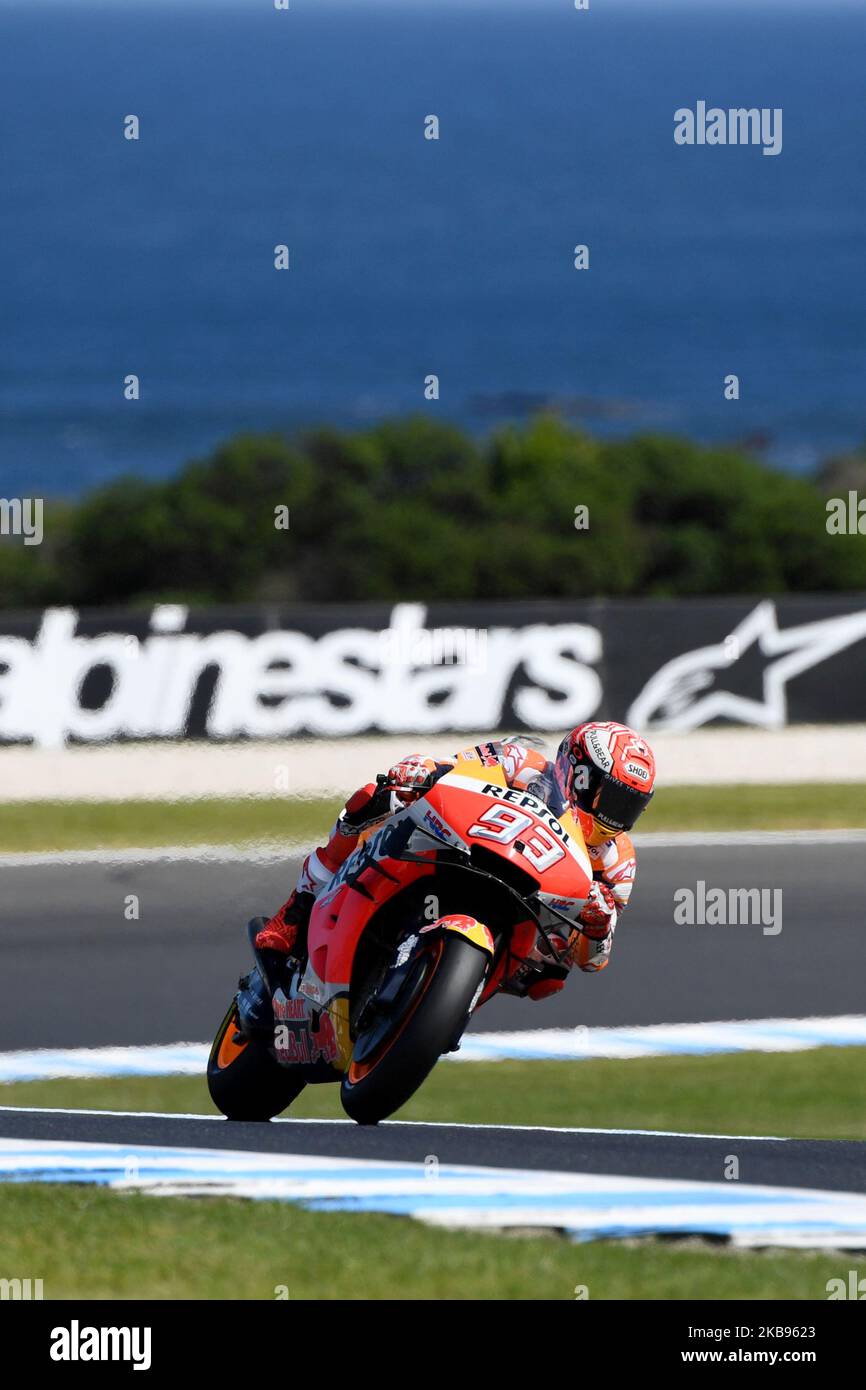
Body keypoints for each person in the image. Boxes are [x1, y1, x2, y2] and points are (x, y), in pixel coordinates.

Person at [256, 721, 656, 994]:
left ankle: (442, 996)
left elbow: (593, 961)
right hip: (461, 852)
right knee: (373, 798)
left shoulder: (618, 859)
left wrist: (599, 928)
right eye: (615, 799)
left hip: (520, 922)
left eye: (631, 807)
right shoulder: (524, 764)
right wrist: (422, 771)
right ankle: (296, 909)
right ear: (580, 774)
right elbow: (454, 769)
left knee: (550, 978)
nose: (617, 817)